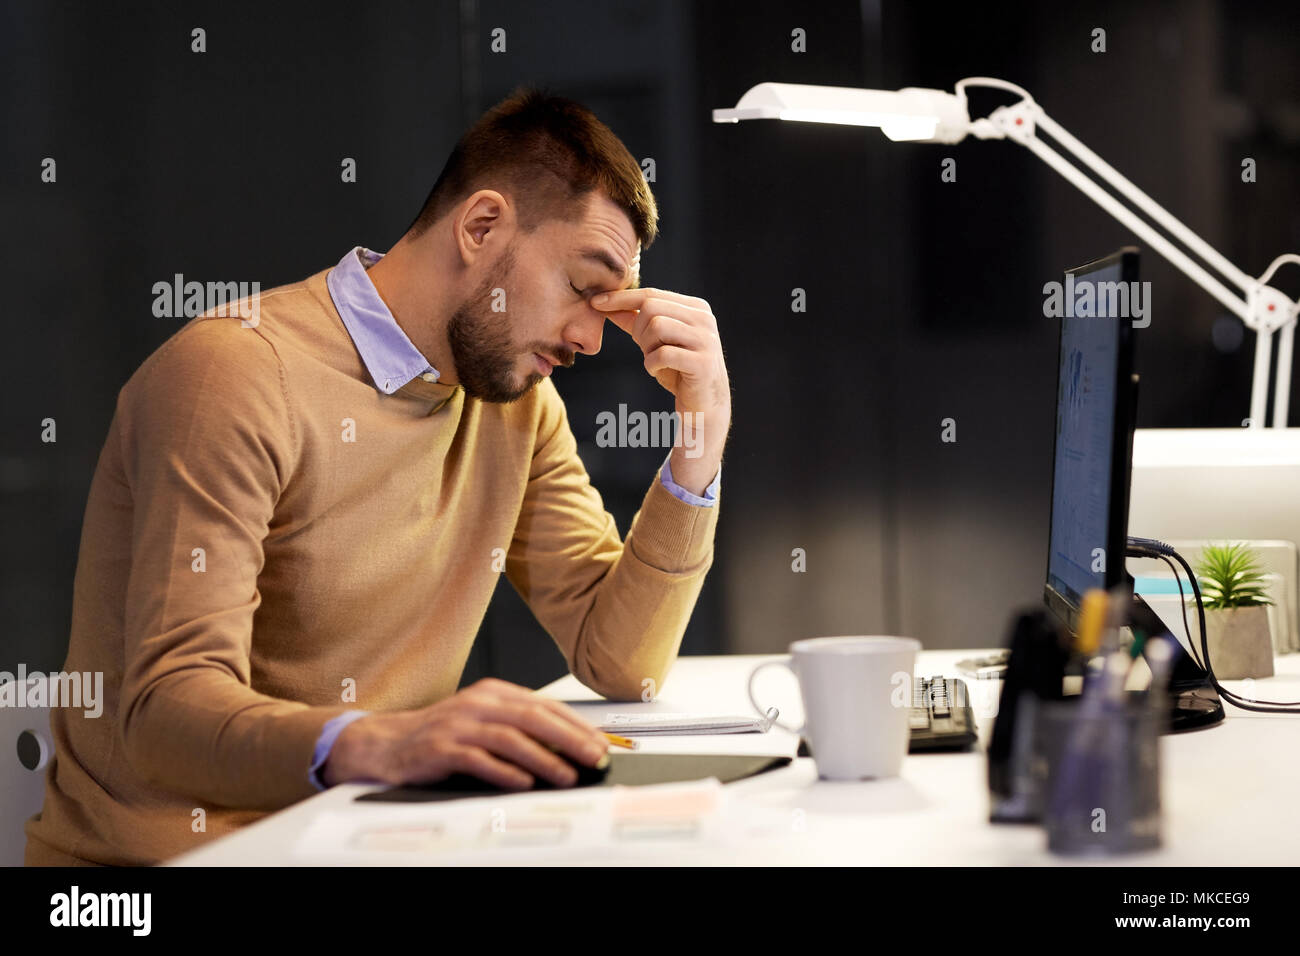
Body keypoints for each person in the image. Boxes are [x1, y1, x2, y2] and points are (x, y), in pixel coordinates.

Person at [25, 86, 729, 866]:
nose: (593, 339)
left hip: (370, 846)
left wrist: (701, 436)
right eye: (583, 287)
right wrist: (382, 744)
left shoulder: (515, 407)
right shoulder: (232, 374)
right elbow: (166, 714)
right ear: (482, 225)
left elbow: (621, 662)